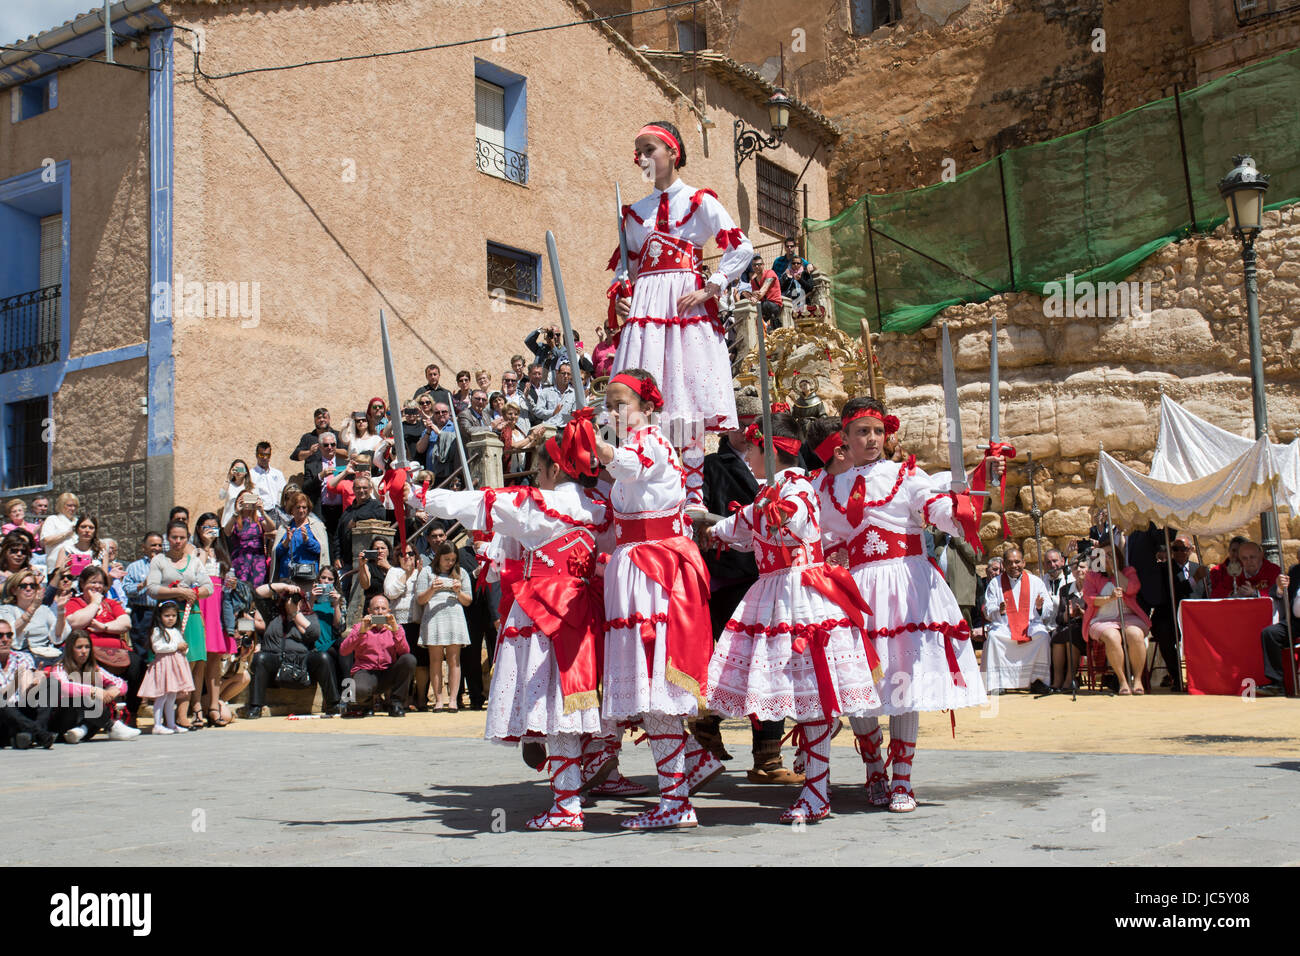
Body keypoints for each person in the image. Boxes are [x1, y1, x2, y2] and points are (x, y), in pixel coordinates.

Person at [421, 412, 612, 828]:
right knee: (570, 707)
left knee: (553, 708)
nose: (535, 477)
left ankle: (566, 806)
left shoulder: (541, 506)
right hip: (582, 614)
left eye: (538, 468)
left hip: (542, 615)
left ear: (553, 468)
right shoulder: (598, 508)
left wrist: (422, 496)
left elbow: (480, 503)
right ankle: (582, 785)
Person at [705, 413, 881, 823]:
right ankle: (816, 786)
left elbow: (793, 518)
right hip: (776, 590)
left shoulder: (796, 486)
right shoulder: (773, 490)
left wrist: (767, 513)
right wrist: (714, 527)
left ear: (771, 448)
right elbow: (744, 528)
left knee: (812, 693)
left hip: (798, 593)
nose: (747, 455)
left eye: (752, 447)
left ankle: (818, 792)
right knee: (801, 694)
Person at [816, 395, 987, 812]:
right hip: (857, 590)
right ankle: (874, 768)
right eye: (862, 432)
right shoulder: (827, 487)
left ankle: (903, 781)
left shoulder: (907, 475)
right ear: (845, 437)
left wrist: (965, 498)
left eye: (878, 431)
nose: (872, 439)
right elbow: (820, 537)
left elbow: (941, 514)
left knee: (903, 682)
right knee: (860, 684)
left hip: (906, 586)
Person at [609, 121, 753, 516]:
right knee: (648, 397)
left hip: (683, 305)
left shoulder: (699, 201)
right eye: (637, 151)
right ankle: (649, 482)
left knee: (685, 396)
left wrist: (715, 283)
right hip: (646, 310)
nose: (642, 157)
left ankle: (692, 492)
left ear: (673, 152)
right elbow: (628, 270)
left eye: (649, 148)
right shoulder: (634, 213)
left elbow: (741, 246)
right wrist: (622, 297)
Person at [592, 369, 714, 830]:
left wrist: (591, 440)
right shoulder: (634, 447)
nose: (612, 411)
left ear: (646, 407)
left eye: (621, 402)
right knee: (648, 686)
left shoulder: (652, 444)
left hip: (653, 571)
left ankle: (677, 799)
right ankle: (681, 783)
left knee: (657, 682)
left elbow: (625, 464)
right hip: (635, 569)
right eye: (609, 402)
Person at [146, 521, 212, 728]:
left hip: (191, 614)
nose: (177, 541)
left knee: (192, 664)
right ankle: (168, 714)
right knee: (172, 664)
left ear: (187, 538)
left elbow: (208, 586)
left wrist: (192, 593)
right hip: (168, 618)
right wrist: (178, 592)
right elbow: (152, 588)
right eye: (174, 537)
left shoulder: (194, 562)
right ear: (168, 538)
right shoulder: (159, 561)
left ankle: (184, 713)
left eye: (182, 537)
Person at [244, 583, 341, 718]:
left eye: (297, 598)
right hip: (276, 659)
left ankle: (333, 704)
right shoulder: (272, 614)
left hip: (302, 662)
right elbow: (259, 592)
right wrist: (284, 586)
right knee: (260, 658)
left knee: (323, 658)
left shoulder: (309, 616)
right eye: (289, 598)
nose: (293, 601)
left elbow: (314, 633)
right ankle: (255, 707)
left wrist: (295, 614)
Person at [63, 564, 143, 720]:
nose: (97, 586)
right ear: (82, 584)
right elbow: (75, 622)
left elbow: (125, 623)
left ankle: (132, 712)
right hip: (89, 652)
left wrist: (104, 627)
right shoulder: (74, 603)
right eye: (92, 582)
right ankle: (98, 715)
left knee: (138, 665)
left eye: (100, 583)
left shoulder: (111, 603)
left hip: (117, 652)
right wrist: (94, 603)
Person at [981, 547, 1056, 694]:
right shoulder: (995, 584)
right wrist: (998, 609)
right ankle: (997, 683)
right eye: (1010, 563)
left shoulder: (1036, 582)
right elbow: (988, 609)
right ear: (1004, 564)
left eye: (1017, 562)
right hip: (1005, 626)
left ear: (1024, 562)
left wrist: (1040, 608)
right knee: (994, 637)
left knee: (1042, 636)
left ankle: (1037, 680)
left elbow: (1049, 607)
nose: (1014, 565)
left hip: (1030, 625)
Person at [45, 630, 141, 743]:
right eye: (79, 647)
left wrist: (112, 691)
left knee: (100, 701)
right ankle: (112, 727)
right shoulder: (59, 667)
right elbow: (64, 687)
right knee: (84, 698)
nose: (84, 651)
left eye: (87, 647)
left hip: (81, 726)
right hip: (60, 721)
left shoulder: (93, 668)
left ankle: (80, 731)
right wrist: (93, 690)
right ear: (70, 649)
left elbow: (120, 683)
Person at [1082, 547, 1152, 695]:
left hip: (1128, 616)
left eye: (1110, 555)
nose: (1107, 558)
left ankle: (1137, 680)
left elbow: (1132, 588)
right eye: (1104, 555)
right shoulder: (1092, 576)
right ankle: (1122, 681)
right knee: (1112, 637)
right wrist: (1109, 598)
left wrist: (1115, 570)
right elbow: (1089, 599)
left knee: (1135, 634)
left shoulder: (1128, 572)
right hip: (1102, 619)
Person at [415, 542, 471, 712]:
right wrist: (432, 588)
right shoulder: (426, 572)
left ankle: (453, 699)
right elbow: (420, 600)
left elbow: (468, 601)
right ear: (439, 557)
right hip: (434, 617)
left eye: (453, 559)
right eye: (447, 559)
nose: (450, 563)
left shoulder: (461, 573)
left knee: (454, 660)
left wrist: (458, 591)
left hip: (454, 616)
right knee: (435, 660)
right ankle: (439, 700)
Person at [338, 594, 415, 716]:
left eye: (383, 609)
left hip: (387, 672)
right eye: (376, 608)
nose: (380, 612)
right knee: (359, 689)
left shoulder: (396, 628)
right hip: (366, 672)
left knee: (409, 660)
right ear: (369, 611)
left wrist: (395, 631)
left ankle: (396, 703)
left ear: (389, 611)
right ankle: (366, 704)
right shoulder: (359, 627)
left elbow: (405, 652)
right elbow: (343, 651)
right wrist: (361, 632)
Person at [193, 513, 237, 726]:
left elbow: (226, 578)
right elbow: (195, 572)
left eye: (214, 527)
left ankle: (213, 704)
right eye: (206, 527)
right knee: (199, 660)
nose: (211, 530)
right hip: (202, 603)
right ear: (199, 529)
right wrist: (205, 546)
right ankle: (195, 706)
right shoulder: (194, 551)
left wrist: (232, 583)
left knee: (214, 661)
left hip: (218, 604)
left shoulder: (221, 553)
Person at [138, 601, 195, 734]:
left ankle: (171, 723)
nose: (171, 618)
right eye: (167, 615)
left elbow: (180, 644)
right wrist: (176, 647)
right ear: (160, 616)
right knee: (162, 696)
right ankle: (157, 724)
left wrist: (183, 648)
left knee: (172, 696)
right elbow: (158, 647)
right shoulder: (157, 631)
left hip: (175, 666)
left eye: (173, 615)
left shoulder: (175, 631)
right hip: (164, 666)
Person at [0, 618, 52, 748]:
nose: (5, 639)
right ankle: (38, 733)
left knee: (50, 684)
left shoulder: (23, 658)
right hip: (2, 718)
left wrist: (35, 684)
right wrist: (13, 685)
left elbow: (26, 693)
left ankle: (28, 734)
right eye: (0, 635)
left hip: (22, 712)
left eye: (9, 635)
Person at [383, 542, 425, 702]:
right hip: (399, 624)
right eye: (402, 554)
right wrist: (406, 575)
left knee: (421, 662)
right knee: (402, 661)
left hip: (418, 621)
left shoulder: (421, 572)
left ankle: (421, 698)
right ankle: (401, 697)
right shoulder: (393, 572)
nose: (407, 557)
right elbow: (390, 593)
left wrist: (417, 573)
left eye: (410, 554)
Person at [1258, 558, 1300, 696]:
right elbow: (1276, 594)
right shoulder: (1295, 571)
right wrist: (1280, 588)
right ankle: (1276, 684)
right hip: (1295, 622)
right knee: (1270, 633)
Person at [1, 567, 61, 662]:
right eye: (24, 586)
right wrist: (33, 608)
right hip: (21, 655)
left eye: (32, 586)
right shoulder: (6, 610)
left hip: (46, 654)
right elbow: (12, 634)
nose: (28, 589)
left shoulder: (43, 609)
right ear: (14, 590)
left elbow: (58, 634)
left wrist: (61, 611)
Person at [1050, 551, 1088, 691]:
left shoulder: (1093, 588)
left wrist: (1083, 614)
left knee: (1071, 634)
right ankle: (1057, 680)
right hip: (1069, 626)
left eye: (1082, 567)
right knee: (1057, 634)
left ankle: (1069, 679)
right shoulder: (1065, 589)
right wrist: (1068, 614)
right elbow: (1060, 618)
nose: (1079, 570)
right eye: (1075, 567)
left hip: (1086, 628)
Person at [270, 493, 329, 582]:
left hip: (308, 577)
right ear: (292, 509)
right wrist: (285, 542)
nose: (301, 510)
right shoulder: (284, 528)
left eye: (304, 507)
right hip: (287, 576)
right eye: (298, 507)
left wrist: (307, 540)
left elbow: (321, 550)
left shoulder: (316, 526)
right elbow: (276, 554)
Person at [225, 492, 273, 587]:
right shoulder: (234, 520)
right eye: (244, 498)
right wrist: (236, 512)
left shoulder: (259, 520)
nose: (247, 502)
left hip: (258, 561)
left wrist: (262, 511)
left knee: (257, 590)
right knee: (241, 589)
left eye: (249, 498)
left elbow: (271, 527)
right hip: (240, 561)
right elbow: (227, 532)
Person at [1209, 540, 1279, 598]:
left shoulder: (1273, 570)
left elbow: (1278, 592)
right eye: (1244, 558)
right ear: (1239, 559)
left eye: (1252, 557)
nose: (1249, 561)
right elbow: (1216, 593)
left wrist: (1254, 593)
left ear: (1261, 555)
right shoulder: (1236, 573)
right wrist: (1234, 593)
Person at [39, 492, 80, 570]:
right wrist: (67, 533)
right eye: (69, 505)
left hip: (76, 565)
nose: (73, 508)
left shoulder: (77, 521)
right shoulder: (52, 519)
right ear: (61, 505)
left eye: (75, 506)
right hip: (56, 565)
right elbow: (46, 540)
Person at [743, 253, 783, 331]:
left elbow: (761, 292)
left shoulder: (770, 273)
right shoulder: (753, 281)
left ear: (763, 265)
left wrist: (752, 296)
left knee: (756, 306)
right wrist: (749, 295)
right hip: (763, 305)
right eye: (754, 265)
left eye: (759, 264)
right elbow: (755, 296)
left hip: (774, 305)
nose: (757, 267)